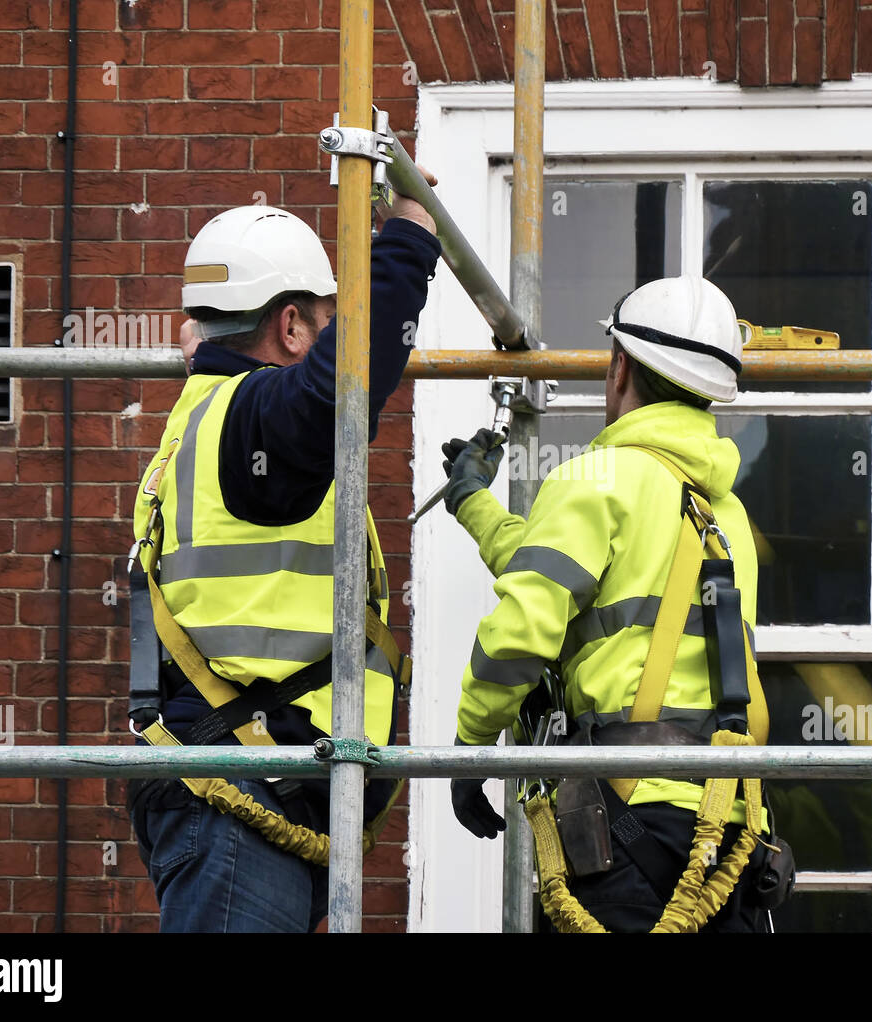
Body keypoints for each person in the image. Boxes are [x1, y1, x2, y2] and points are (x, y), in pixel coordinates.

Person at [126, 180, 441, 932]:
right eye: (327, 321)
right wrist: (410, 238)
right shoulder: (254, 417)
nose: (335, 337)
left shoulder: (209, 416)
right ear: (293, 325)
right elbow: (342, 388)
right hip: (238, 789)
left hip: (241, 784)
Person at [442, 276, 790, 933]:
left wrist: (470, 749)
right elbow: (570, 566)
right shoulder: (728, 515)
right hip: (731, 839)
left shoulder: (593, 479)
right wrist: (477, 506)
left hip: (626, 831)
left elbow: (520, 632)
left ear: (621, 366)